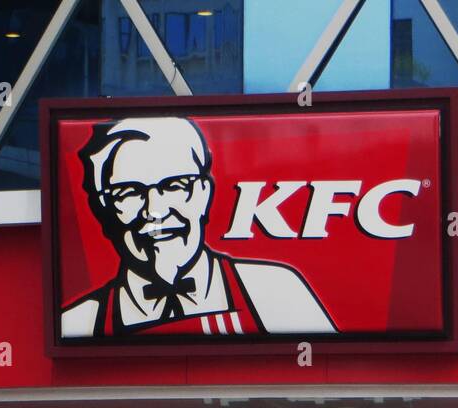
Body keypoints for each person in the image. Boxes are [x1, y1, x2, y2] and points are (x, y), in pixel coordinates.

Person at [62, 116, 336, 338]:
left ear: (204, 193)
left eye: (174, 186)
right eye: (129, 192)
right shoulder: (79, 322)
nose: (154, 209)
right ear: (104, 208)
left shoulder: (275, 290)